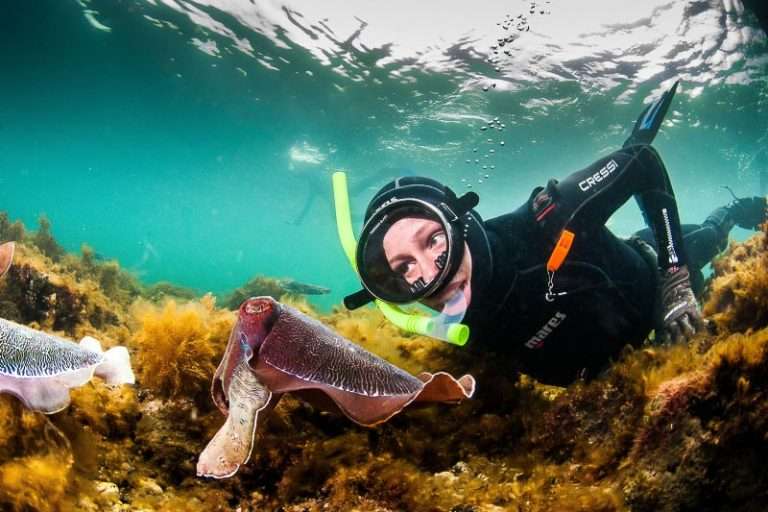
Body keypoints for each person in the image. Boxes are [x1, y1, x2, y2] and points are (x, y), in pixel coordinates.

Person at [341, 82, 768, 386]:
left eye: (433, 240)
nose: (432, 272)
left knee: (711, 239)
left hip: (651, 269)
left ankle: (729, 212)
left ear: (459, 221)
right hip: (610, 363)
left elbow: (641, 161)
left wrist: (675, 280)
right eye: (403, 268)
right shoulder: (457, 324)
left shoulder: (545, 220)